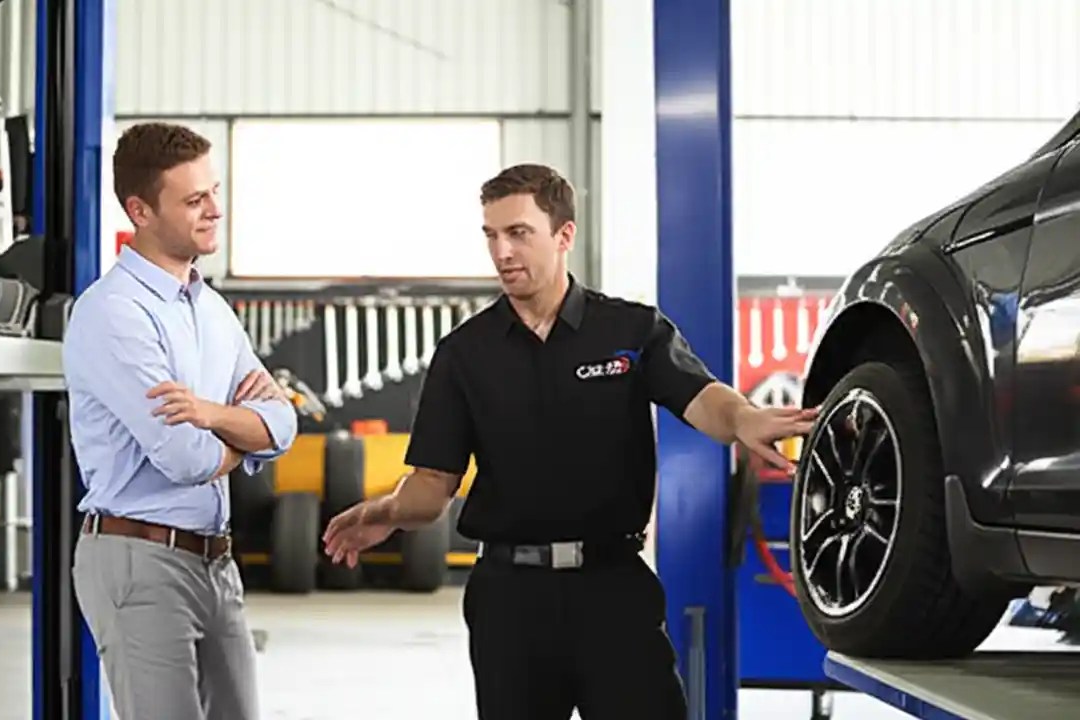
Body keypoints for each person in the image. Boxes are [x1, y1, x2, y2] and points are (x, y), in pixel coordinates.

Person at [322, 163, 815, 719]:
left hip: (614, 589)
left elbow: (701, 398)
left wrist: (746, 419)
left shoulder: (630, 331)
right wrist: (387, 511)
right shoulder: (465, 354)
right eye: (491, 235)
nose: (502, 252)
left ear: (564, 236)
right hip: (510, 601)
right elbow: (434, 484)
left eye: (518, 233)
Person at [63, 122, 297, 720]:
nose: (214, 210)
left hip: (215, 562)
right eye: (194, 200)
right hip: (139, 562)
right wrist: (247, 440)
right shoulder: (115, 315)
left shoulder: (211, 309)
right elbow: (186, 458)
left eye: (214, 192)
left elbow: (284, 423)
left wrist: (215, 416)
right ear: (140, 210)